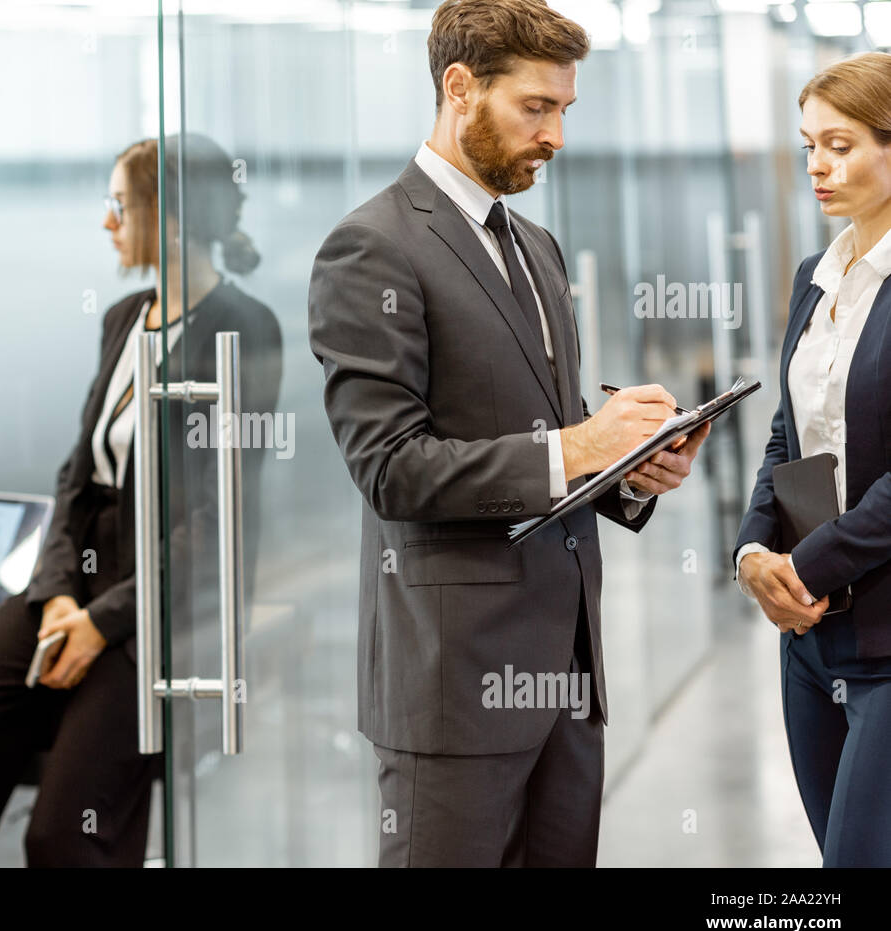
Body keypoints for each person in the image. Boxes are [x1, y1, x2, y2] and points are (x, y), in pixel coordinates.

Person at [307, 0, 711, 867]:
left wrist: (630, 468)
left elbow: (548, 441)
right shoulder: (371, 248)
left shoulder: (536, 244)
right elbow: (390, 468)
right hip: (453, 690)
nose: (556, 134)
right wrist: (581, 447)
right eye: (537, 107)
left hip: (568, 679)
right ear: (460, 88)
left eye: (565, 110)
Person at [0, 132, 283, 867]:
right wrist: (60, 593)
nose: (107, 223)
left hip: (163, 609)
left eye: (118, 205)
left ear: (167, 219)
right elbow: (77, 475)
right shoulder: (125, 317)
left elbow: (218, 519)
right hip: (82, 586)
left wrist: (103, 621)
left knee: (65, 834)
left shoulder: (244, 327)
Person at [734, 51, 891, 867]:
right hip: (808, 636)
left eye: (840, 144)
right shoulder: (815, 276)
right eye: (808, 147)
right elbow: (787, 434)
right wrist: (753, 551)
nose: (817, 167)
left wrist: (808, 564)